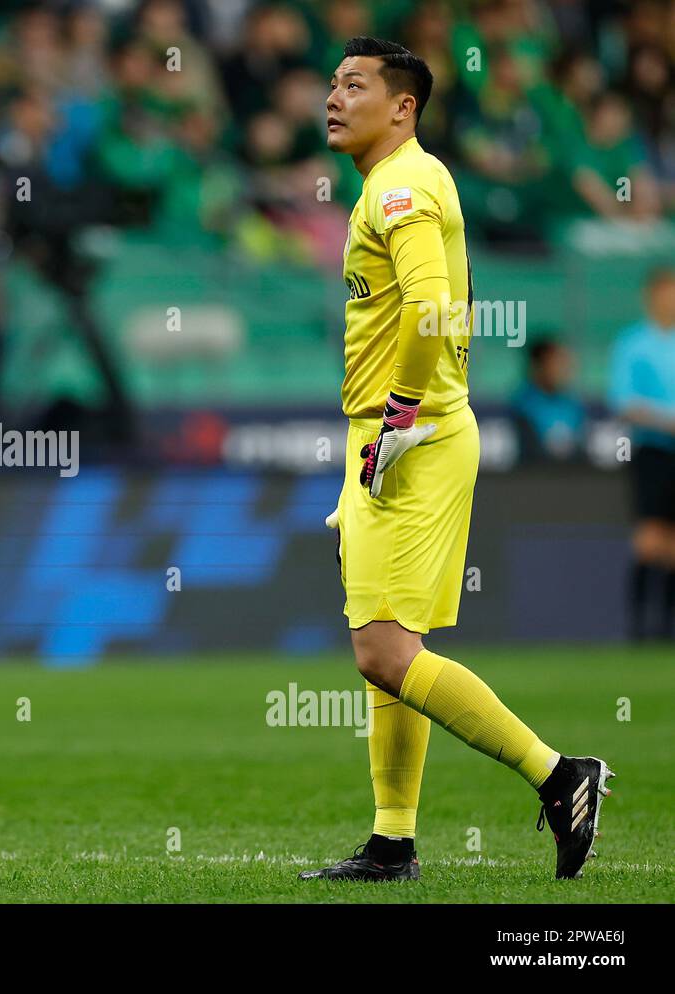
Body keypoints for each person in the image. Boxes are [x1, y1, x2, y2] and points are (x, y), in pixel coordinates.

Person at [305, 37, 613, 883]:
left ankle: (560, 776)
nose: (334, 97)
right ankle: (392, 840)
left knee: (382, 652)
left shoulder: (402, 183)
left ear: (403, 106)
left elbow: (431, 309)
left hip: (414, 432)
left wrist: (400, 415)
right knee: (387, 643)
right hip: (391, 432)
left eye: (356, 85)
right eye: (332, 83)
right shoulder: (396, 181)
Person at [610, 266, 675, 641]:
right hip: (653, 450)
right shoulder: (633, 344)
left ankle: (665, 630)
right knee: (650, 539)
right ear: (651, 297)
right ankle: (639, 630)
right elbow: (624, 402)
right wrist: (666, 420)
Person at [510, 337, 587, 463]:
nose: (563, 369)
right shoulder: (523, 406)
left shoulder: (573, 406)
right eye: (556, 362)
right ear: (538, 365)